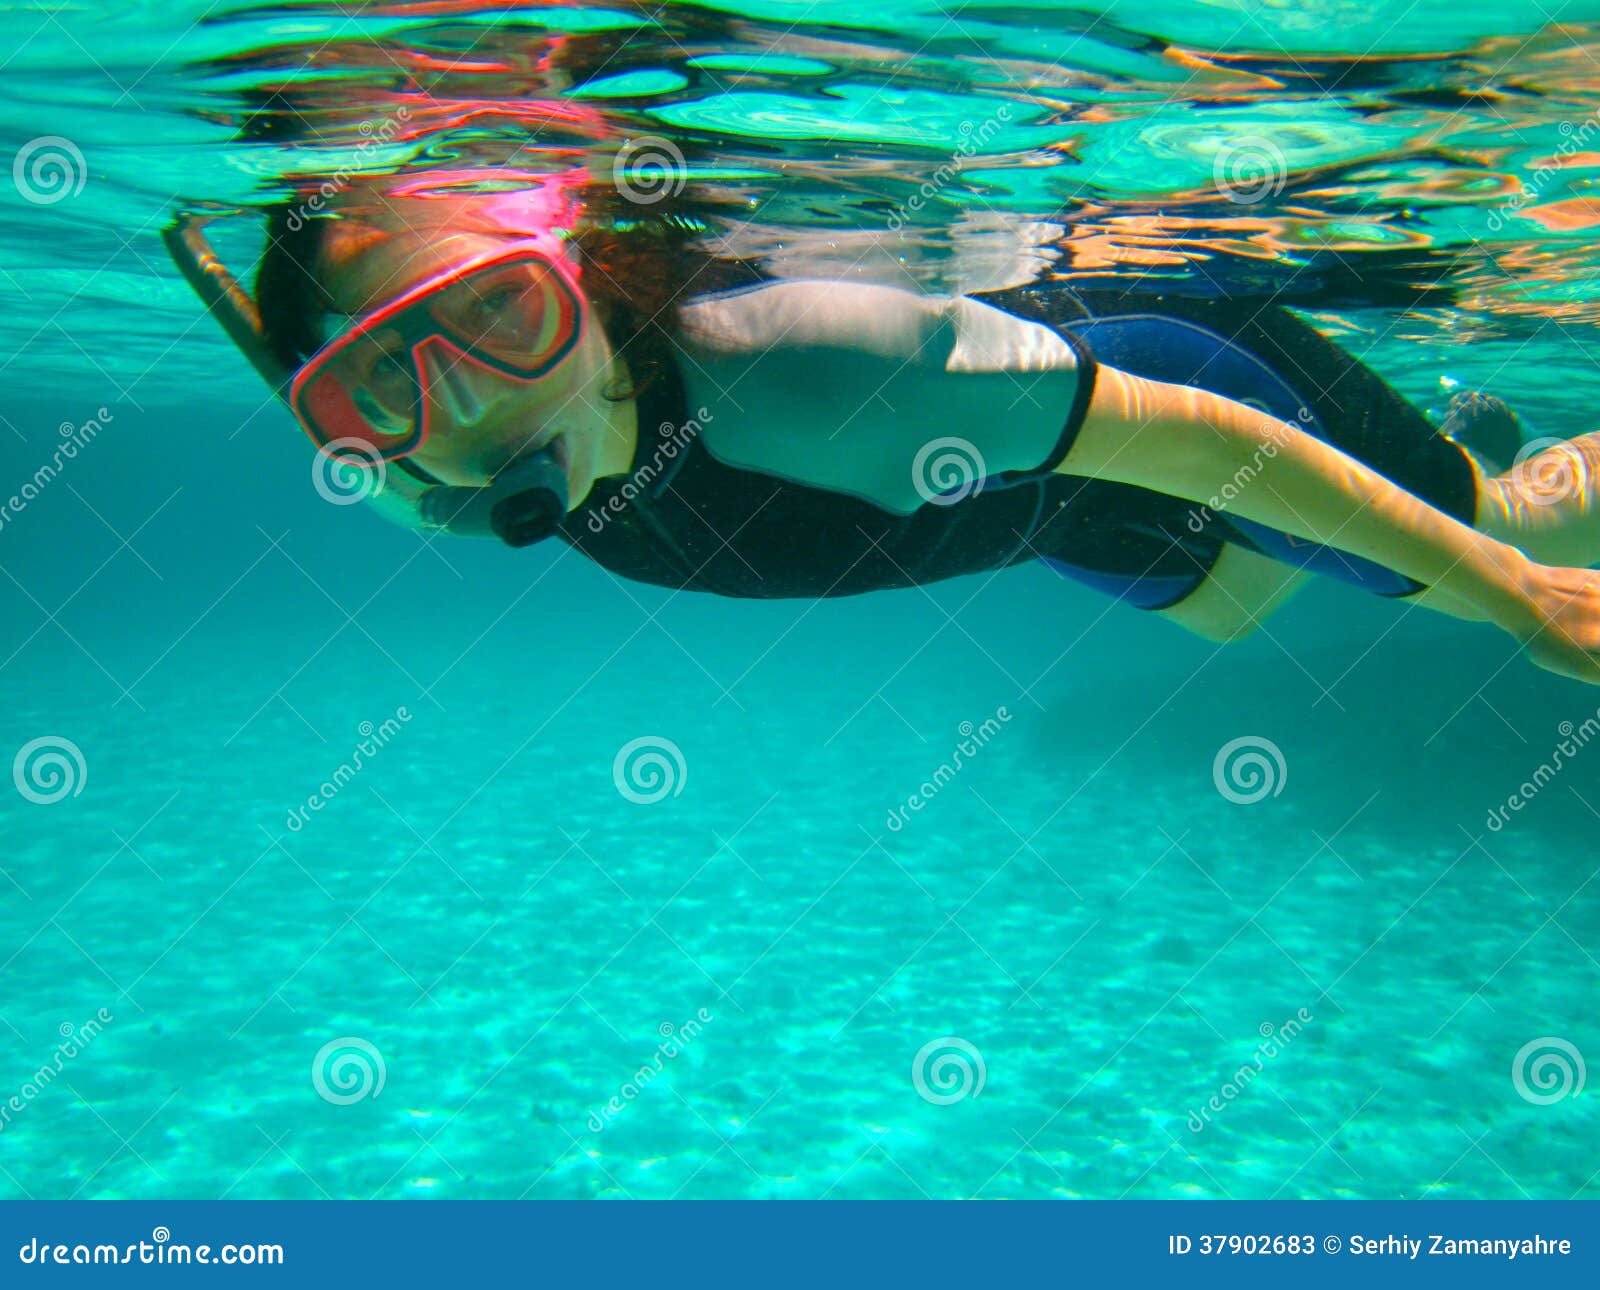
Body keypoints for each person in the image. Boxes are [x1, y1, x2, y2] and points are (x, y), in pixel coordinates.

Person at [164, 168, 1600, 683]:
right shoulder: (433, 474)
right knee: (1229, 606)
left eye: (497, 315)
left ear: (582, 276)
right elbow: (380, 424)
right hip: (1045, 499)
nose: (470, 409)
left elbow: (1178, 434)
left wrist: (1517, 596)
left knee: (1499, 531)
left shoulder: (796, 369)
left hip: (1171, 385)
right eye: (384, 383)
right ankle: (1458, 437)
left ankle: (1502, 481)